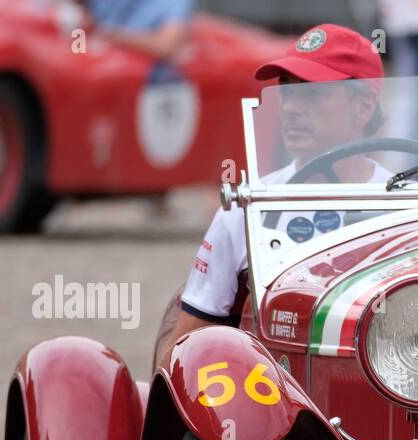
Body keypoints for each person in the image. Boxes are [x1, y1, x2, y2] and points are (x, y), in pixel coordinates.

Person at [153, 24, 389, 371]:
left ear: (363, 107)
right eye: (287, 92)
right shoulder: (247, 207)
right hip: (273, 401)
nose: (291, 107)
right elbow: (186, 350)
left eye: (311, 93)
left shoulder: (408, 204)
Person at [84, 0, 192, 60]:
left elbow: (166, 45)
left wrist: (112, 36)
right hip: (96, 75)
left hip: (142, 80)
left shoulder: (173, 3)